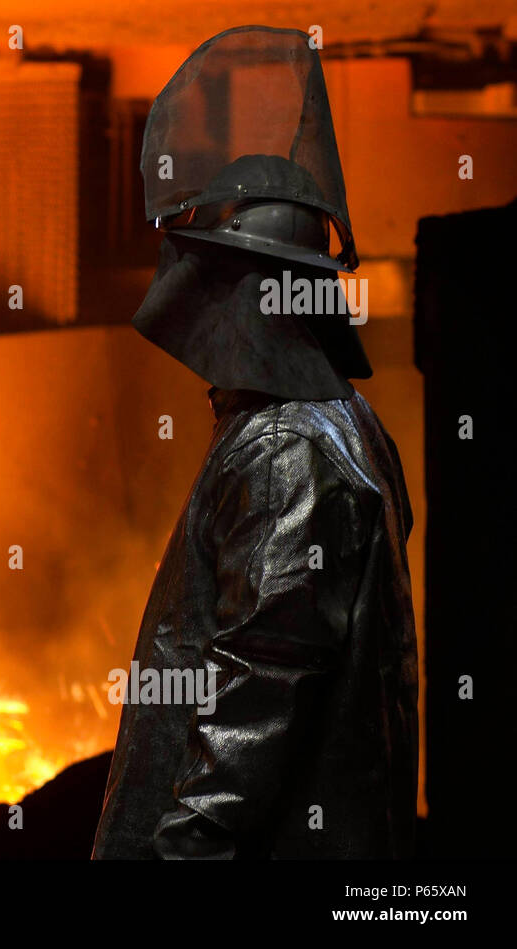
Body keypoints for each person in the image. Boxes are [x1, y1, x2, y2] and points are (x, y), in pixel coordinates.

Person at [92, 26, 417, 859]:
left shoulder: (285, 454)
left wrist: (181, 851)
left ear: (242, 297)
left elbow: (258, 694)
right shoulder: (346, 426)